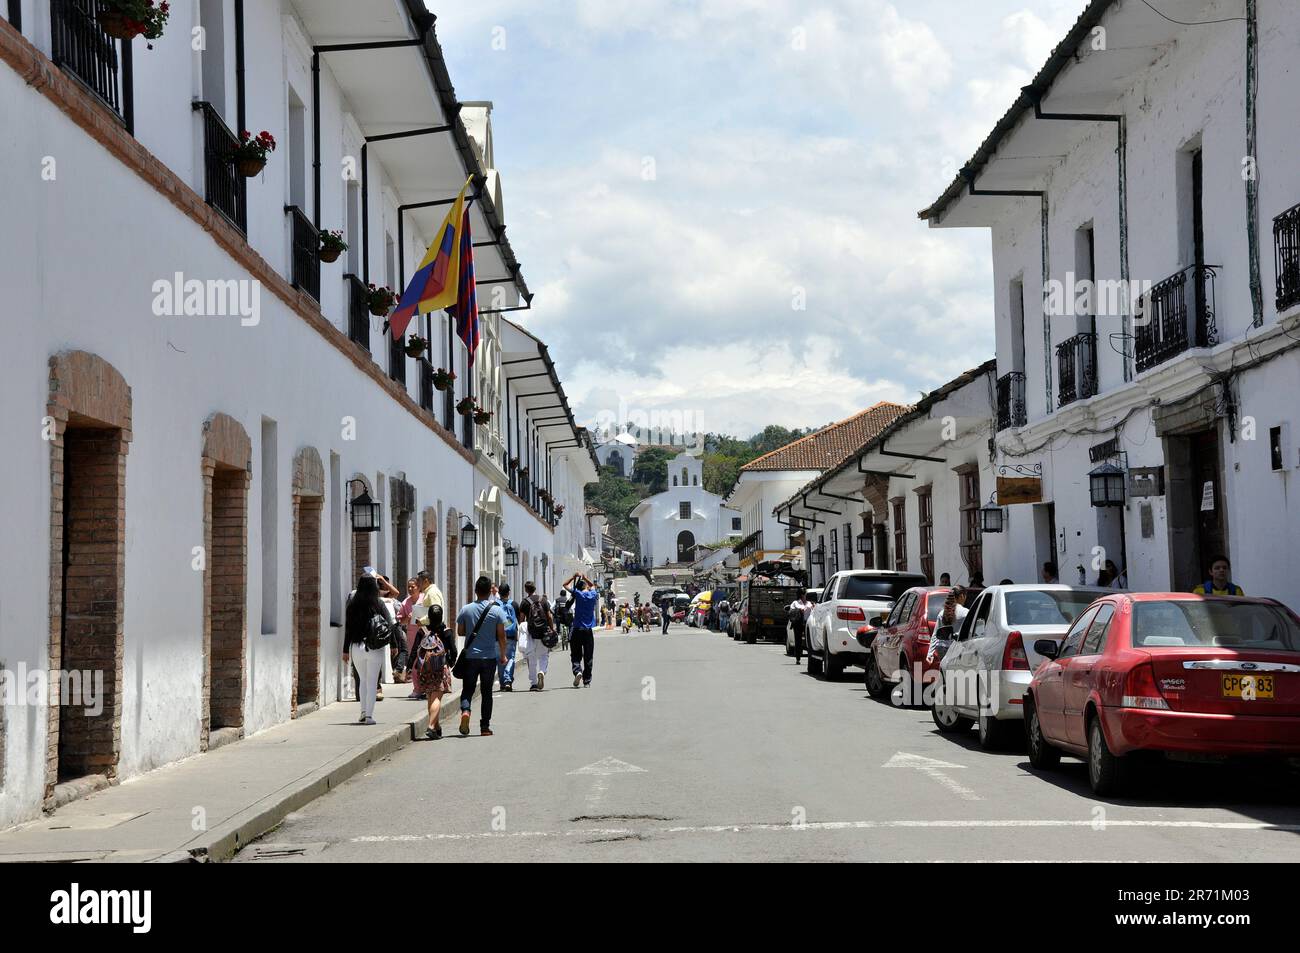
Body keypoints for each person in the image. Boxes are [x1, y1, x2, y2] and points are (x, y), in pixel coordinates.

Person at [455, 576, 509, 737]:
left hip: (471, 658)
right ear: (489, 592)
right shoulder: (497, 610)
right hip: (489, 658)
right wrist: (503, 655)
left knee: (468, 689)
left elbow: (460, 632)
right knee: (487, 693)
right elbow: (502, 635)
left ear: (476, 591)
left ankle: (465, 711)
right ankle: (485, 727)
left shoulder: (466, 609)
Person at [342, 576, 389, 726]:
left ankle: (363, 712)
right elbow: (389, 624)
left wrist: (345, 650)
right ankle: (369, 716)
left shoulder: (352, 605)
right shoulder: (378, 603)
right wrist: (394, 644)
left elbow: (348, 630)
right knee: (372, 681)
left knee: (362, 680)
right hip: (375, 647)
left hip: (356, 647)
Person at [410, 599, 451, 739]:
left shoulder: (422, 631)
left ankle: (437, 727)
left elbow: (415, 649)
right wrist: (450, 662)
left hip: (425, 669)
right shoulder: (446, 632)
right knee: (437, 697)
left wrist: (410, 667)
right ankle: (431, 726)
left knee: (430, 697)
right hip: (440, 668)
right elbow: (454, 651)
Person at [563, 572, 600, 688]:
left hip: (577, 629)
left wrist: (573, 577)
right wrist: (585, 577)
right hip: (588, 630)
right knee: (588, 656)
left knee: (575, 654)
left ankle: (577, 671)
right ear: (586, 587)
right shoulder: (593, 594)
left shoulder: (578, 594)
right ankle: (587, 681)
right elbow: (593, 586)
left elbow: (565, 585)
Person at [519, 581, 555, 691]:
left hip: (531, 633)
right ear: (535, 588)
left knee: (532, 658)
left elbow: (521, 619)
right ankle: (542, 671)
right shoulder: (543, 600)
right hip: (543, 633)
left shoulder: (524, 602)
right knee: (544, 655)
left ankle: (534, 683)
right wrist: (552, 629)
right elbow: (549, 616)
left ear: (526, 590)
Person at [497, 582, 520, 691]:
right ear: (509, 592)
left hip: (498, 636)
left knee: (501, 660)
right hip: (511, 635)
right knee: (511, 658)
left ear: (499, 592)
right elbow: (519, 620)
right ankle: (507, 679)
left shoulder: (495, 605)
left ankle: (502, 683)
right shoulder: (514, 604)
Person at [788, 591, 814, 665]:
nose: (806, 596)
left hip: (808, 623)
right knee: (798, 641)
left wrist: (813, 606)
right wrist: (799, 611)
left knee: (809, 640)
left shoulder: (810, 603)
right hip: (798, 623)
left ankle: (811, 657)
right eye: (805, 594)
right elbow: (791, 612)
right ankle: (798, 658)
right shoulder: (795, 603)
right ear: (802, 595)